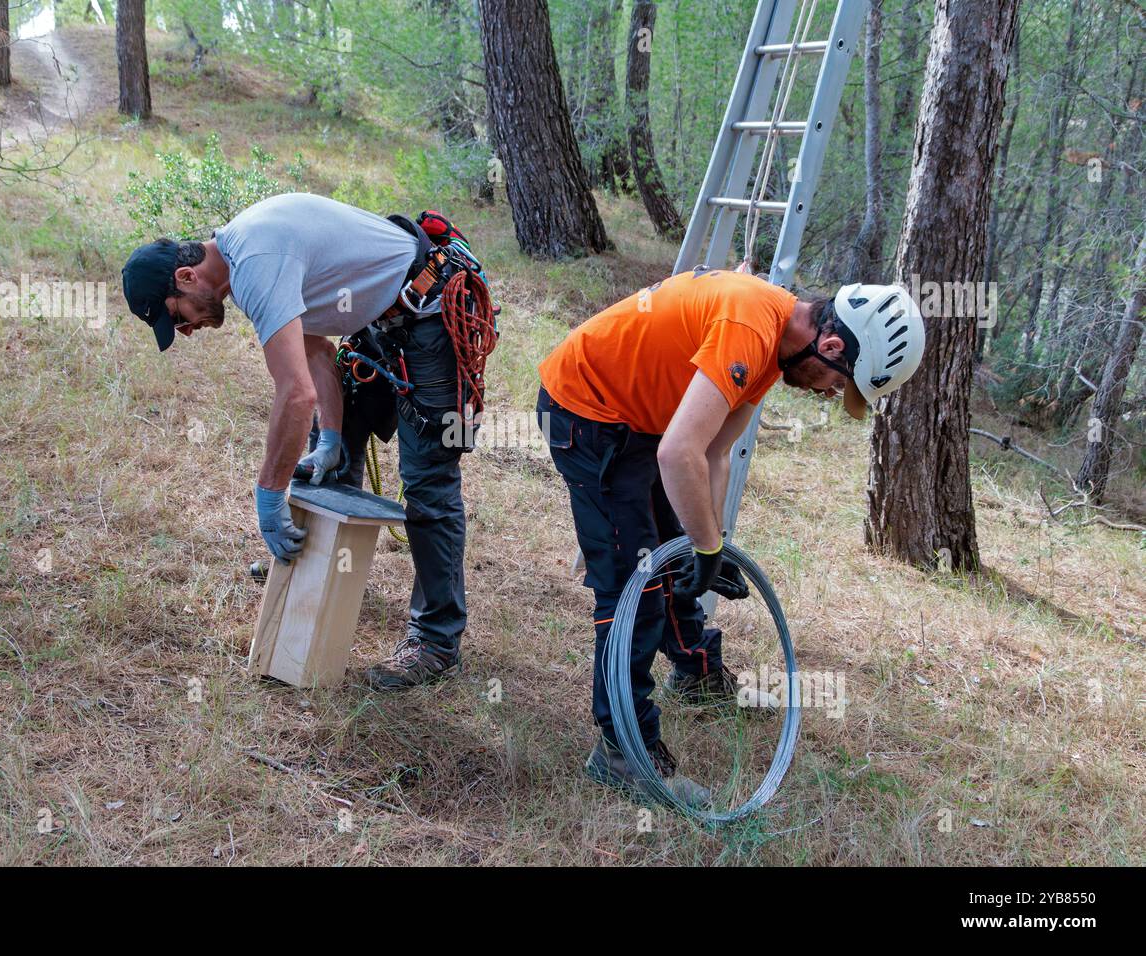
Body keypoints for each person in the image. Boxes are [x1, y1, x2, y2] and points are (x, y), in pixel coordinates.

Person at [537, 267, 926, 802]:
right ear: (831, 345)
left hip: (643, 419)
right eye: (837, 384)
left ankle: (695, 672)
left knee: (675, 550)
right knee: (636, 586)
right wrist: (705, 546)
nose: (830, 394)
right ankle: (622, 751)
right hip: (587, 411)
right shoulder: (751, 326)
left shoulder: (776, 346)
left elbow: (713, 452)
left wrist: (709, 544)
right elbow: (678, 454)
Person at [121, 193, 485, 689]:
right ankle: (320, 561)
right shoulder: (246, 259)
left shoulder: (256, 263)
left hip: (429, 309)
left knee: (428, 481)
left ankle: (436, 641)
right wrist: (332, 436)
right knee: (324, 456)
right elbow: (315, 346)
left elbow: (295, 395)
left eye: (176, 316)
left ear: (187, 278)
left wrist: (268, 497)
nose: (184, 330)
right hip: (382, 316)